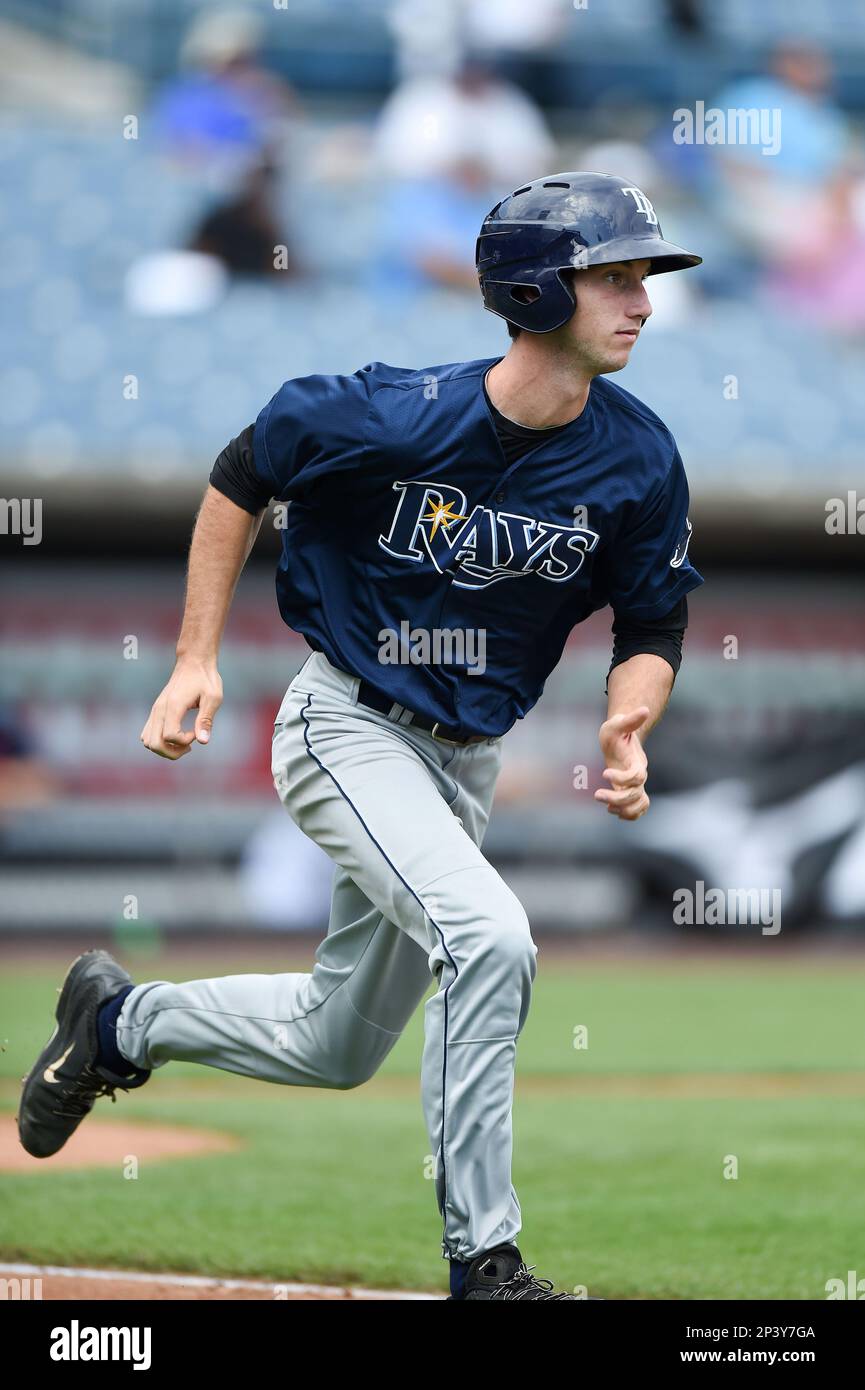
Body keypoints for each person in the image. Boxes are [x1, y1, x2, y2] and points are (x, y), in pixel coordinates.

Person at [18, 172, 704, 1301]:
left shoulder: (637, 457)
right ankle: (485, 1259)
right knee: (488, 937)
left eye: (643, 276)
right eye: (614, 275)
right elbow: (245, 472)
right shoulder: (392, 411)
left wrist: (633, 712)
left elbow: (655, 618)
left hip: (463, 762)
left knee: (336, 1044)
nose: (641, 299)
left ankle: (119, 1022)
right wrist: (195, 656)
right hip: (348, 724)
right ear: (537, 291)